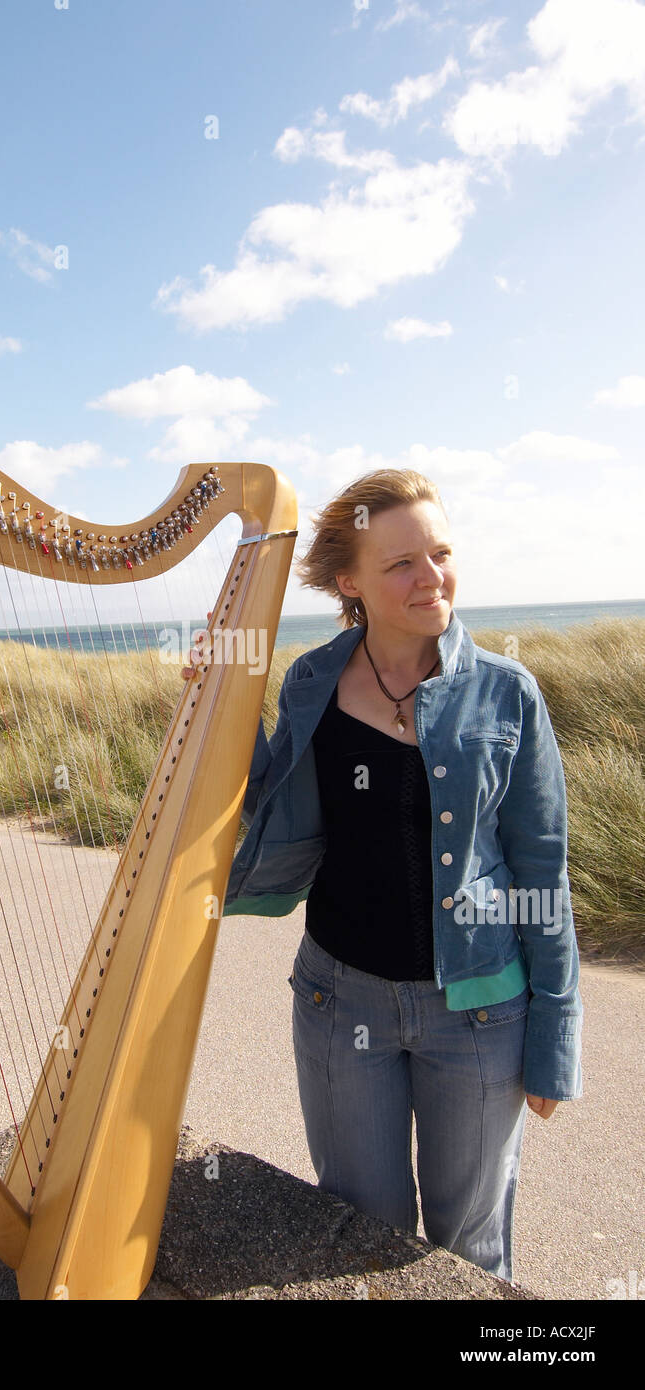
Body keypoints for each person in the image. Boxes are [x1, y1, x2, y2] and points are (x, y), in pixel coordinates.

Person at [186, 468, 583, 1285]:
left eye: (439, 553)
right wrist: (210, 697)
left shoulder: (508, 695)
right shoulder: (309, 682)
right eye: (401, 563)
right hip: (339, 1003)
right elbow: (262, 803)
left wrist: (554, 1039)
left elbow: (542, 869)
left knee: (467, 1252)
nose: (430, 577)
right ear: (350, 583)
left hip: (479, 1017)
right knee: (357, 1239)